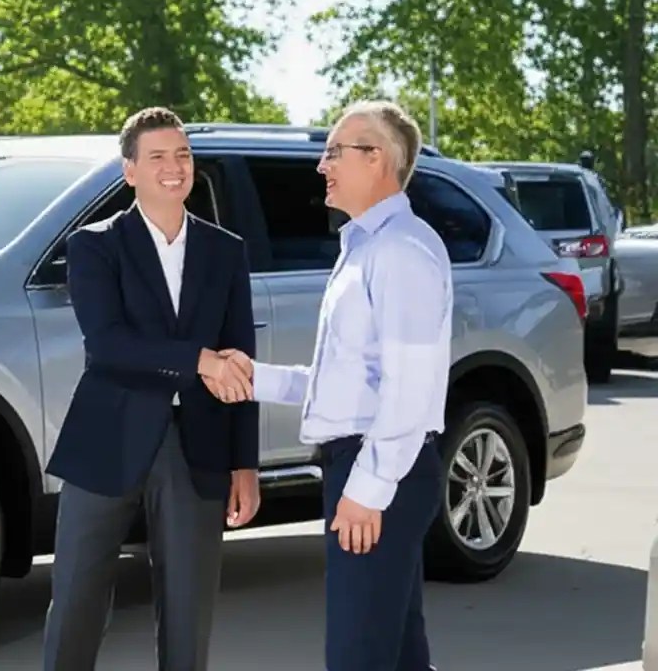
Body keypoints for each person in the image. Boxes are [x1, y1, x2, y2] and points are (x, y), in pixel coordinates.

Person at [224, 99, 449, 671]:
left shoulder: (399, 251)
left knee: (358, 654)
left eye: (334, 152)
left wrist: (367, 488)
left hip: (378, 465)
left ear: (377, 160)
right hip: (370, 461)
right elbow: (351, 384)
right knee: (394, 651)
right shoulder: (367, 247)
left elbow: (409, 385)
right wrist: (258, 379)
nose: (322, 165)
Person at [41, 106, 260, 671]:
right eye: (158, 156)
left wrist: (245, 464)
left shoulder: (225, 250)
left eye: (183, 154)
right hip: (106, 438)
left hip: (200, 447)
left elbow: (240, 361)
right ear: (130, 170)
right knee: (76, 602)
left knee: (189, 615)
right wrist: (198, 360)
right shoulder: (95, 246)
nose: (174, 166)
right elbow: (108, 344)